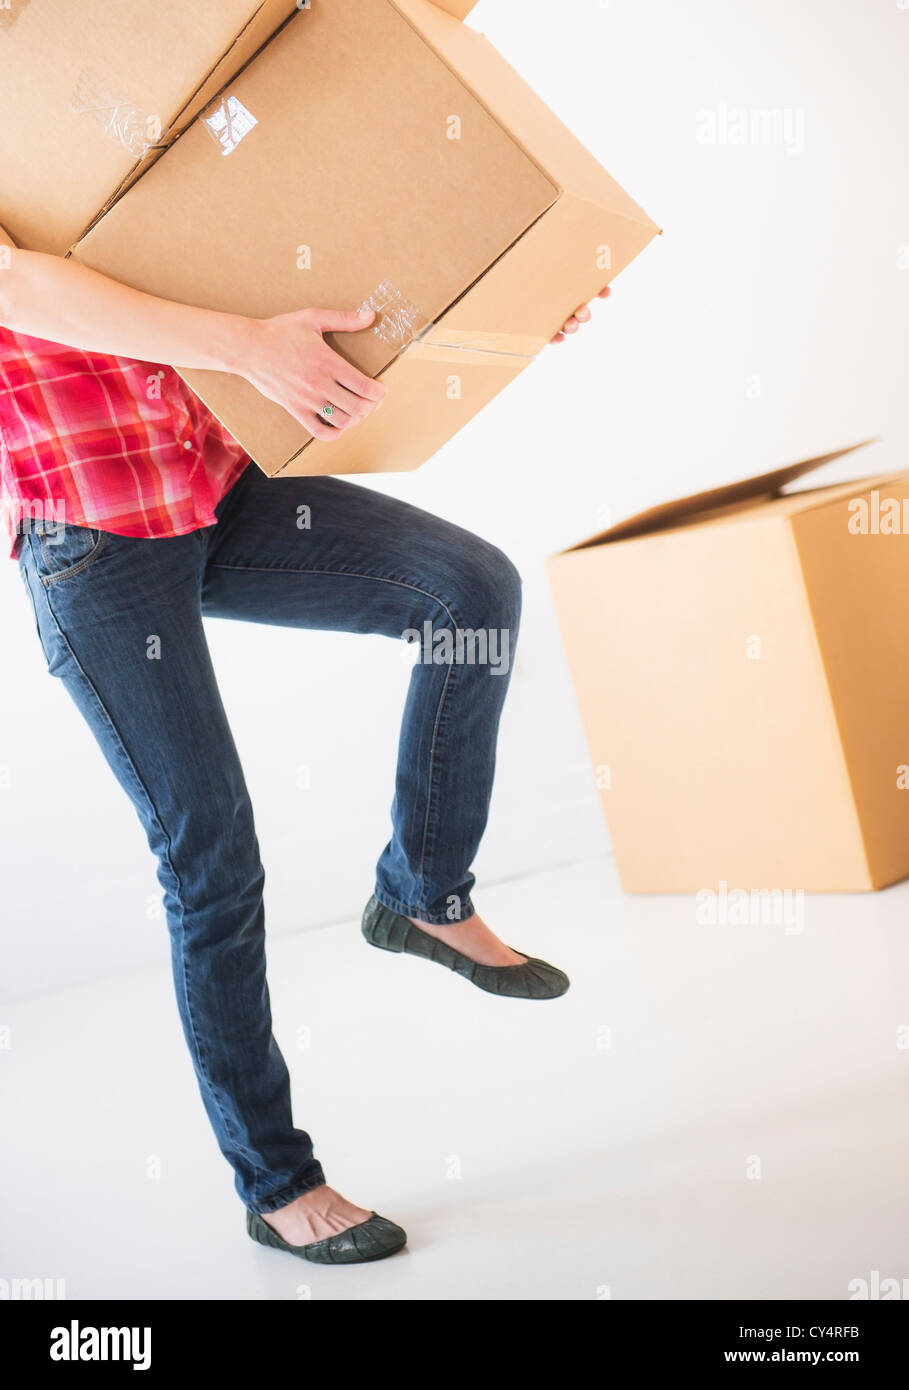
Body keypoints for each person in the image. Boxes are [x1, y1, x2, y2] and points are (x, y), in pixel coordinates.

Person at [0, 219, 608, 1265]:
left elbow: (259, 221)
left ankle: (423, 891)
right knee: (212, 861)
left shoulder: (84, 86)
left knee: (468, 590)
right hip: (92, 543)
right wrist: (242, 345)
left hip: (215, 483)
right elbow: (19, 287)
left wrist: (496, 326)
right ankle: (277, 1184)